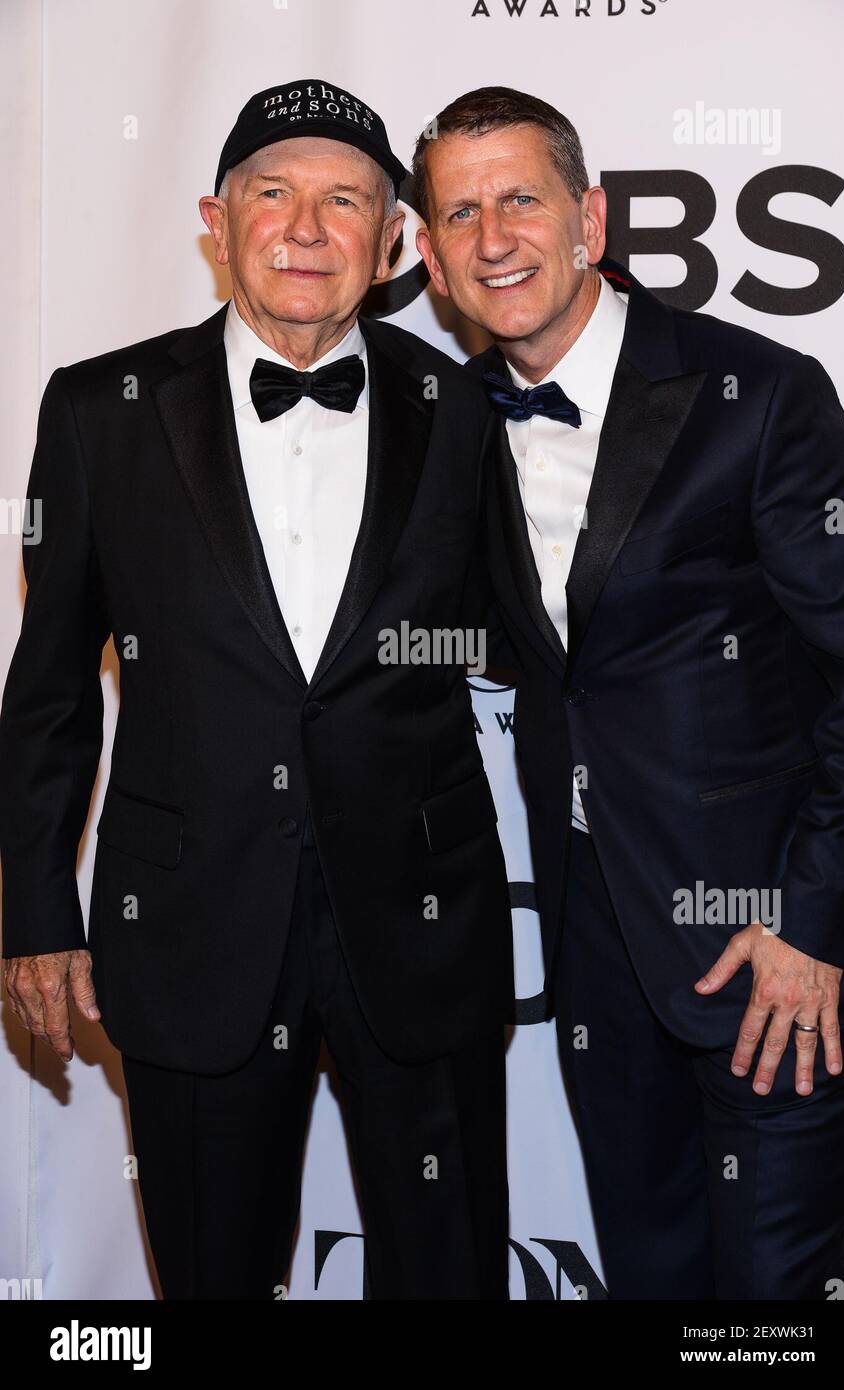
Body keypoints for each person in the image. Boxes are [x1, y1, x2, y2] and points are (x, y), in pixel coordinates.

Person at [0, 79, 514, 1301]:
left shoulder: (458, 409)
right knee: (212, 1276)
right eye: (271, 194)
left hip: (421, 923)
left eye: (346, 201)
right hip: (190, 928)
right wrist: (32, 909)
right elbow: (52, 682)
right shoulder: (97, 409)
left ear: (393, 243)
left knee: (448, 1275)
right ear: (213, 221)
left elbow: (525, 651)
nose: (305, 227)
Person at [414, 85, 844, 1300]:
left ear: (590, 221)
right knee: (652, 1277)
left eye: (519, 198)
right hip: (591, 951)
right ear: (432, 260)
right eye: (459, 213)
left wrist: (815, 924)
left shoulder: (757, 395)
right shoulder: (445, 425)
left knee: (774, 1294)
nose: (493, 235)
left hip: (771, 954)